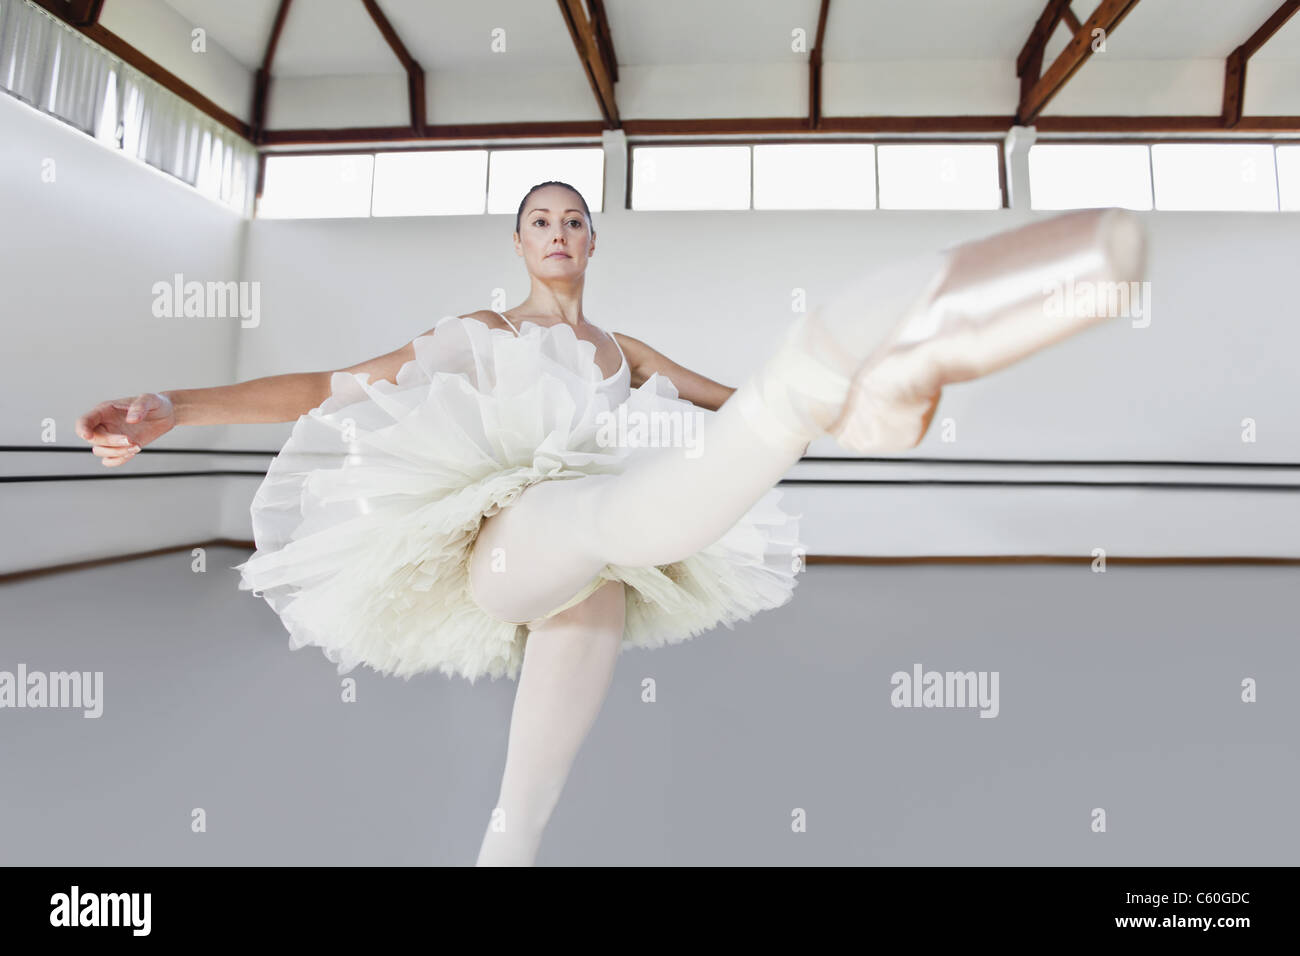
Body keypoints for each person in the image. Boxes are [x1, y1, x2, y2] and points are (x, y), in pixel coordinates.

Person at [75, 182, 1147, 865]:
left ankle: (509, 848)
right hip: (496, 531)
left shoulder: (622, 349)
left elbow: (725, 411)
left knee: (604, 583)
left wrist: (848, 408)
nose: (558, 231)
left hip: (596, 544)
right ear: (517, 241)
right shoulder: (477, 328)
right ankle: (835, 354)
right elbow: (327, 383)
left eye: (574, 219)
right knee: (600, 522)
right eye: (540, 218)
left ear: (592, 241)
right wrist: (178, 406)